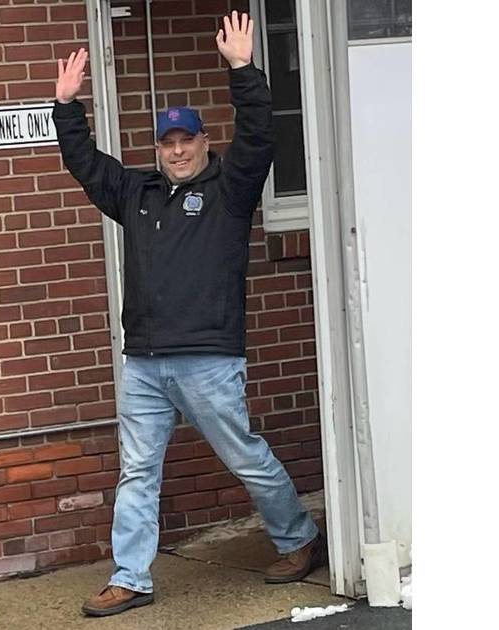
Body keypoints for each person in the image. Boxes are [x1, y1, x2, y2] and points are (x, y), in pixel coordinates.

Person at [51, 10, 326, 619]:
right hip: (145, 363)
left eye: (187, 140)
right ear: (159, 149)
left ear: (204, 142)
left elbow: (259, 136)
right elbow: (87, 165)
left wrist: (243, 69)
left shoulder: (230, 190)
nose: (177, 151)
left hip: (208, 359)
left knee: (244, 456)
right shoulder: (137, 194)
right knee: (137, 471)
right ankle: (130, 578)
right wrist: (67, 106)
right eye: (167, 143)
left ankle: (299, 538)